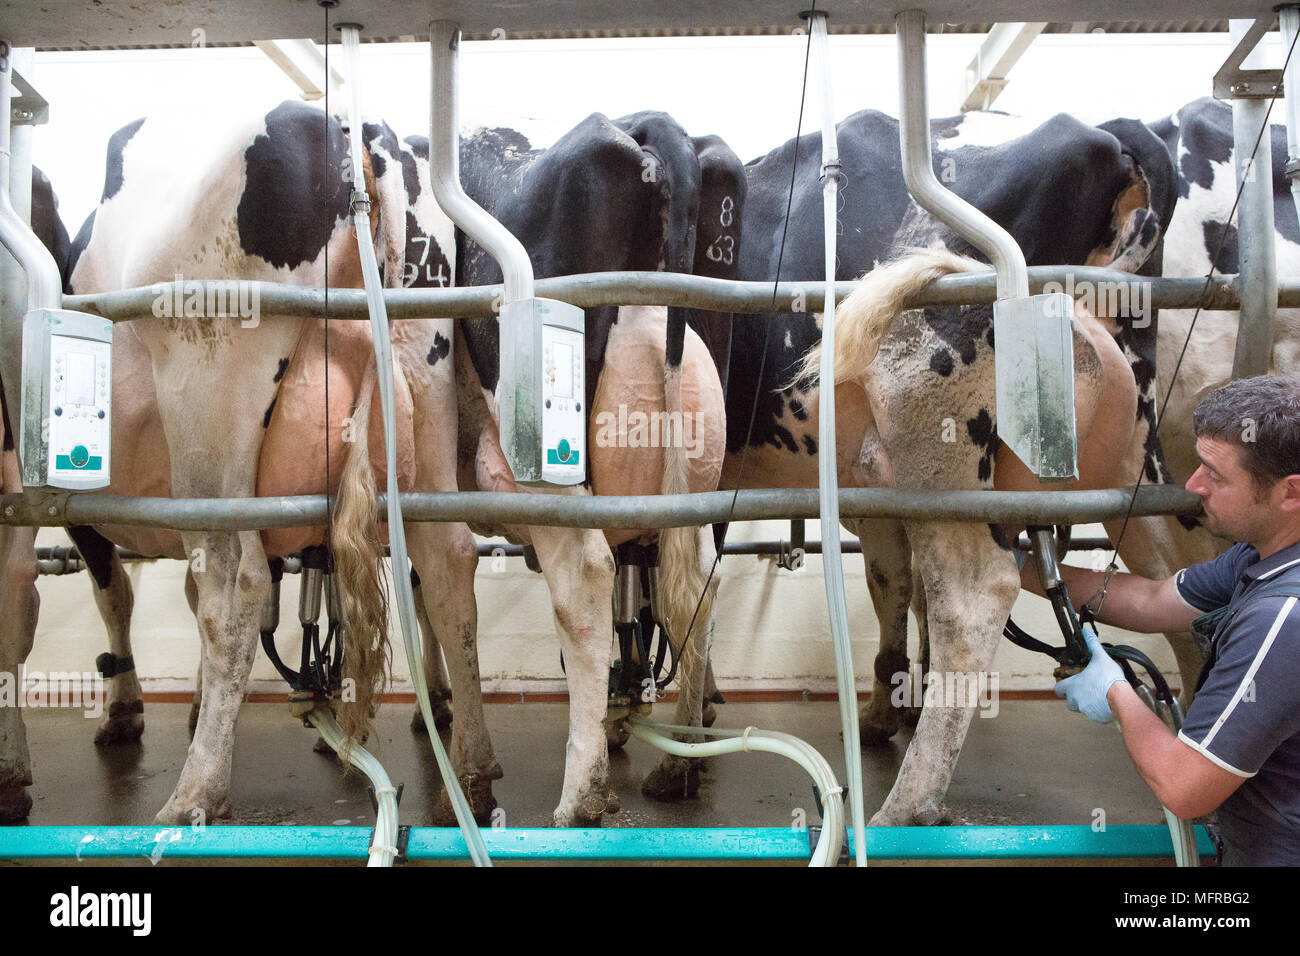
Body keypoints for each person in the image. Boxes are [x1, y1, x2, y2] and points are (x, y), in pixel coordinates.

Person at [1027, 375, 1300, 866]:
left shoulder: (1282, 618)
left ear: (1290, 492)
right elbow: (1154, 601)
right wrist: (1011, 568)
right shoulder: (1264, 556)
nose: (1193, 484)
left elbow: (1184, 787)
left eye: (1215, 475)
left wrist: (1116, 692)